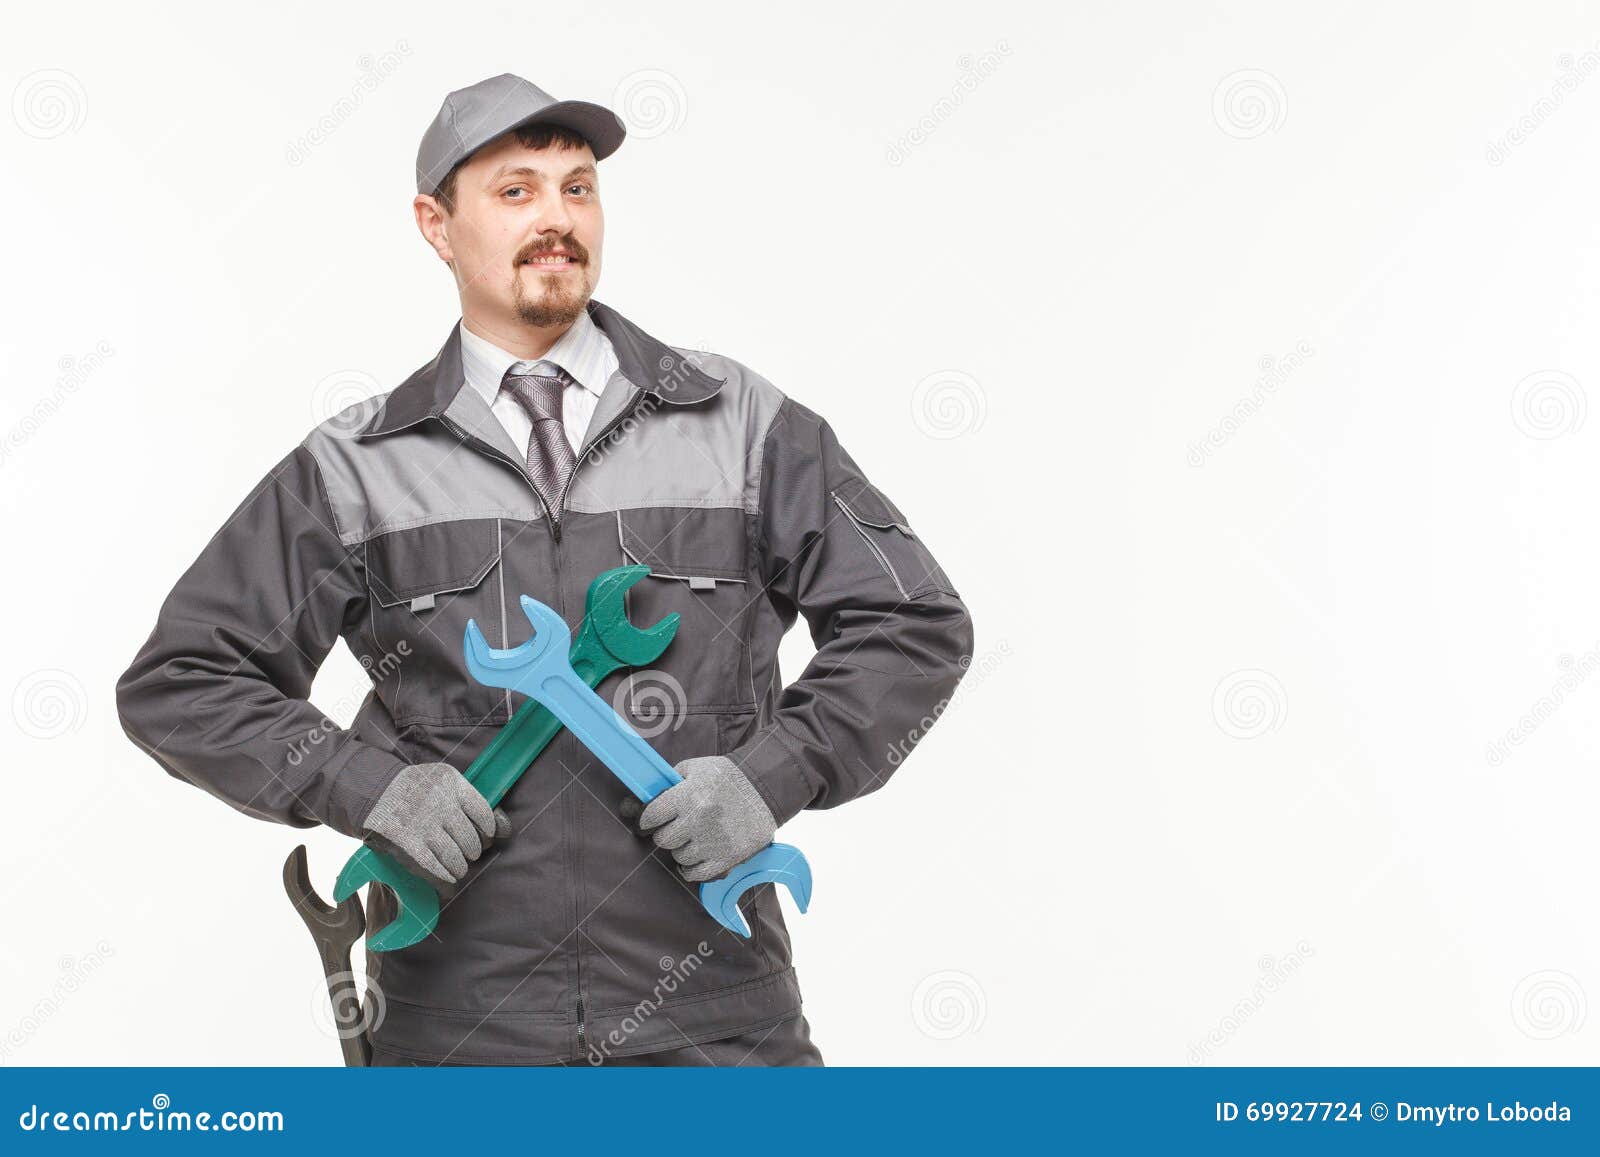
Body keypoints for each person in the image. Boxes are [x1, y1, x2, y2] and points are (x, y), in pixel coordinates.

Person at [116, 73, 974, 1066]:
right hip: (459, 1032)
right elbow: (181, 680)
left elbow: (913, 621)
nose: (557, 218)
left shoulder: (740, 423)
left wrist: (771, 773)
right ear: (436, 225)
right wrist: (366, 787)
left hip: (719, 1025)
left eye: (578, 188)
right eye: (516, 191)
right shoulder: (356, 463)